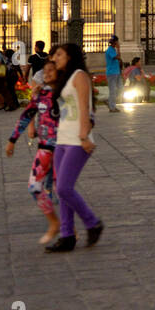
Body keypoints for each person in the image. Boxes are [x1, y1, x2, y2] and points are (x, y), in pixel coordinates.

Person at [45, 44, 103, 253]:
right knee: (61, 190)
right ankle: (67, 235)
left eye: (60, 54)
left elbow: (85, 107)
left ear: (70, 57)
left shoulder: (79, 76)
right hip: (62, 139)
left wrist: (84, 135)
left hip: (78, 140)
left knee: (64, 188)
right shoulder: (65, 78)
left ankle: (92, 222)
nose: (55, 58)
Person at [6, 59, 62, 244]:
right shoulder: (41, 95)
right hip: (45, 149)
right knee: (34, 187)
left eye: (52, 70)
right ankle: (55, 222)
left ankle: (70, 229)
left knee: (62, 190)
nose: (47, 73)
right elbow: (26, 115)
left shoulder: (66, 94)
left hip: (63, 149)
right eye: (45, 71)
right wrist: (12, 140)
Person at [104, 35, 122, 112]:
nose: (118, 43)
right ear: (115, 42)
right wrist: (118, 49)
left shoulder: (113, 50)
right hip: (111, 73)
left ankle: (109, 101)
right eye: (117, 42)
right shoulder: (110, 50)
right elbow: (117, 57)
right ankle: (112, 107)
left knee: (120, 89)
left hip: (116, 71)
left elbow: (119, 59)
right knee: (113, 90)